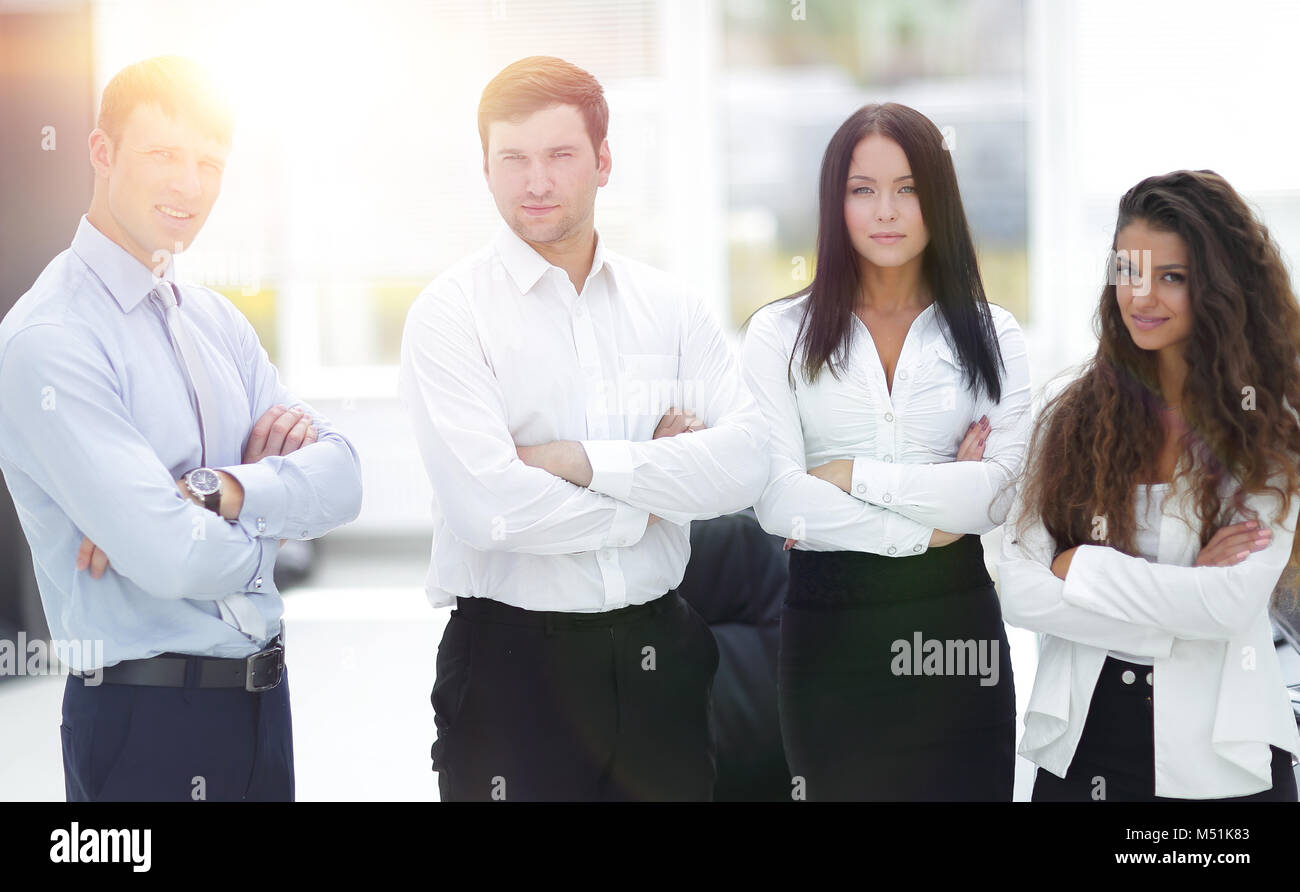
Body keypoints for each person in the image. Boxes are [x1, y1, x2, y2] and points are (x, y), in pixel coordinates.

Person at [399, 55, 769, 801]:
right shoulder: (449, 315)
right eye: (514, 159)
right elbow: (490, 510)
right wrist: (655, 490)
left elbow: (749, 461)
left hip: (658, 659)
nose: (536, 182)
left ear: (603, 162)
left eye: (560, 156)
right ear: (487, 168)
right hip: (512, 672)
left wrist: (576, 461)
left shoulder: (672, 308)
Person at [0, 55, 363, 801]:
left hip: (263, 706)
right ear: (102, 152)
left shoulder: (215, 321)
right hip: (144, 726)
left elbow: (345, 479)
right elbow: (172, 560)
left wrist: (212, 491)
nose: (188, 186)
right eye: (164, 154)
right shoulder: (53, 339)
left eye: (209, 163)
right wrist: (275, 518)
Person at [742, 102, 1031, 800]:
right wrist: (934, 517)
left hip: (957, 631)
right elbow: (780, 502)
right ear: (834, 203)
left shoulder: (995, 335)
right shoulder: (778, 335)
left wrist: (849, 476)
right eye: (862, 190)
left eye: (907, 188)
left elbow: (999, 493)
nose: (886, 210)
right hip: (829, 638)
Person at [999, 169, 1300, 801]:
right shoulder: (1070, 413)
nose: (1142, 296)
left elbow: (1228, 608)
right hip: (1084, 749)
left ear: (1221, 289)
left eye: (1172, 277)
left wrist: (1079, 565)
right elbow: (1015, 587)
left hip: (1225, 761)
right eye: (1130, 271)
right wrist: (1186, 597)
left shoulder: (1267, 429)